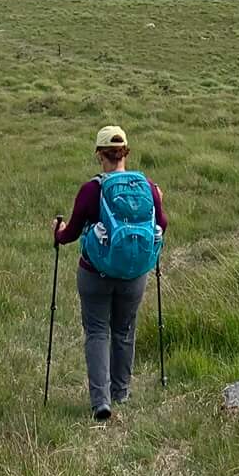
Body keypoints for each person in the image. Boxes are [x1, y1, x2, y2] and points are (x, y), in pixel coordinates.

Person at [54, 125, 167, 421]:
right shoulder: (148, 186)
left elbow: (71, 234)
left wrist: (58, 232)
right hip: (135, 273)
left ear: (99, 154)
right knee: (123, 330)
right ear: (125, 152)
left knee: (97, 331)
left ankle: (101, 402)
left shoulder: (93, 189)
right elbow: (162, 225)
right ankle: (122, 391)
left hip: (95, 273)